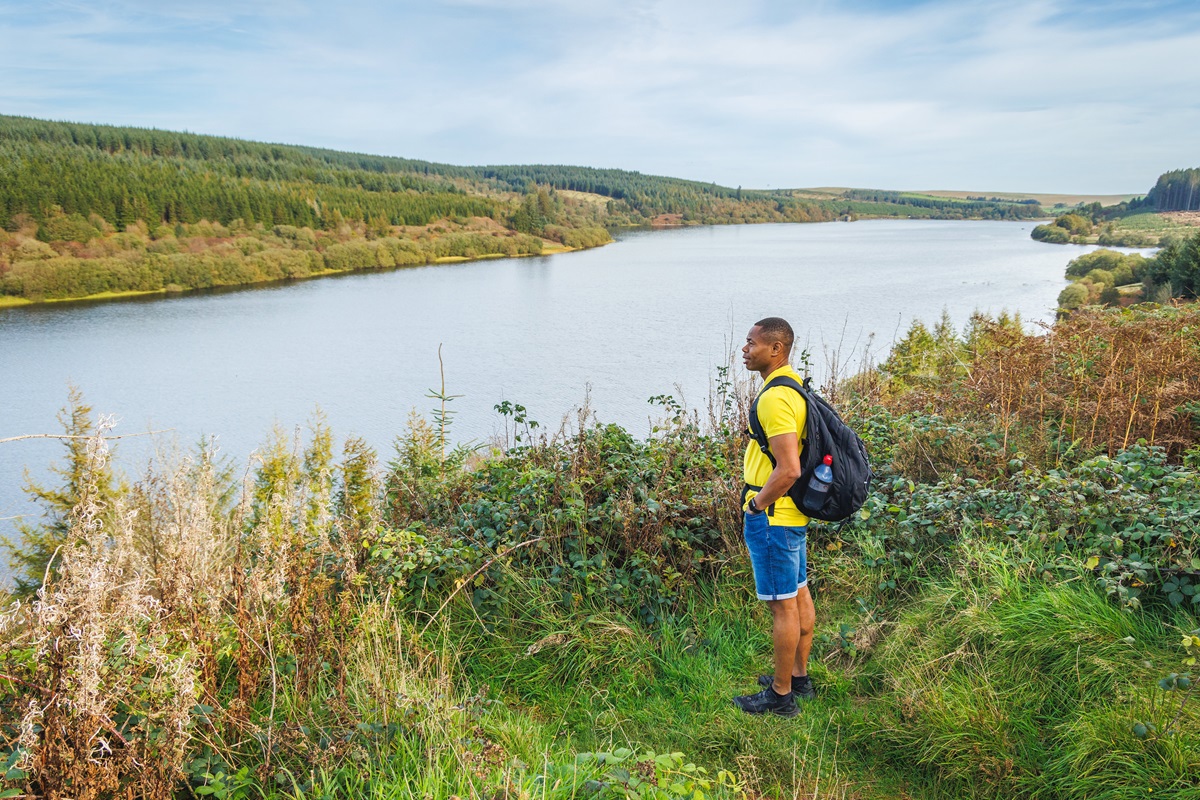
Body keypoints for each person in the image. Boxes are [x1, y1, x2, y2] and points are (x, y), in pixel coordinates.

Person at [732, 316, 816, 717]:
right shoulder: (792, 387)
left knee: (782, 604)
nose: (745, 350)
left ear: (776, 349)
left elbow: (789, 469)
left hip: (775, 515)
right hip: (792, 513)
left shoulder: (774, 398)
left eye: (751, 343)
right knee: (798, 592)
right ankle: (798, 677)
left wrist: (756, 504)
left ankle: (780, 697)